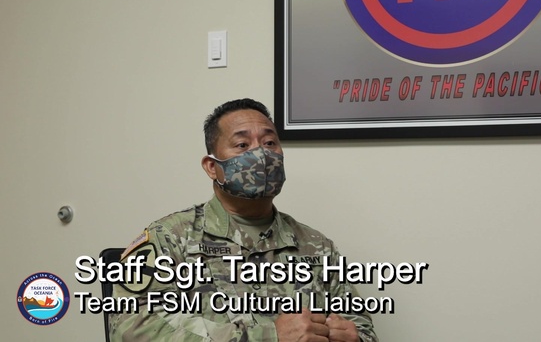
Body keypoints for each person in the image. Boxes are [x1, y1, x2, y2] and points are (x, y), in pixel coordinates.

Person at [109, 99, 378, 342]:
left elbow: (361, 327)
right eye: (242, 145)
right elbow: (131, 329)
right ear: (212, 167)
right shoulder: (169, 238)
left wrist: (354, 338)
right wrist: (267, 337)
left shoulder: (317, 246)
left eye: (269, 143)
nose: (261, 154)